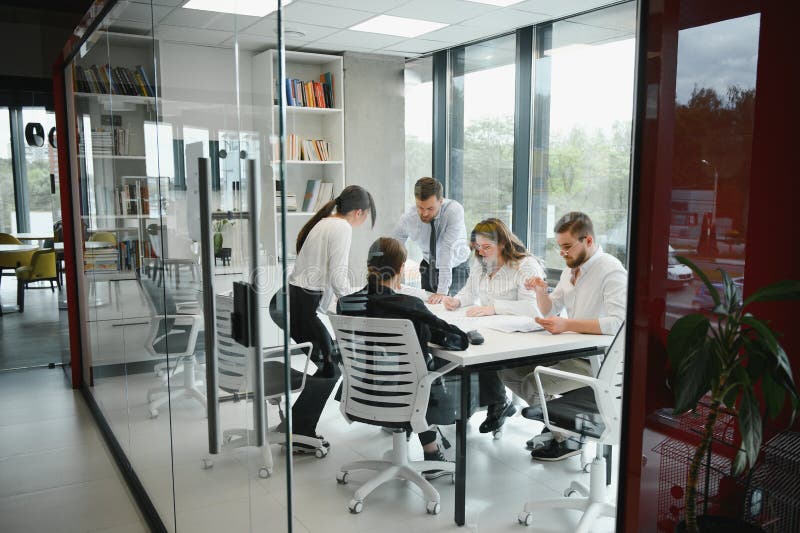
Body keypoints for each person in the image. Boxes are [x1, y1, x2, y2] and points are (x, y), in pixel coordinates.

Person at [338, 237, 469, 480]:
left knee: (407, 373)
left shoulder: (347, 304)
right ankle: (432, 451)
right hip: (403, 394)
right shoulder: (409, 304)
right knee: (426, 374)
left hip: (363, 392)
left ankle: (427, 445)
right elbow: (458, 340)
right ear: (399, 269)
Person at [505, 211, 627, 461]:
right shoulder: (569, 271)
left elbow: (618, 323)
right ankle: (561, 427)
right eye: (560, 248)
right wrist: (540, 291)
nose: (563, 253)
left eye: (568, 247)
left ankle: (569, 438)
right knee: (507, 370)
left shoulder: (610, 270)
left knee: (531, 383)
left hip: (596, 363)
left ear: (589, 241)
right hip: (569, 352)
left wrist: (567, 324)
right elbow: (551, 308)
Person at [271, 185, 376, 451]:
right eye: (366, 217)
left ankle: (294, 427)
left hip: (291, 301)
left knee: (328, 364)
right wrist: (359, 299)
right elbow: (338, 277)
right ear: (359, 212)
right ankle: (299, 432)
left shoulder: (325, 222)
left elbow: (326, 277)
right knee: (331, 367)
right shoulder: (342, 228)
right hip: (300, 306)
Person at [441, 218, 545, 434]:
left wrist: (493, 308)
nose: (481, 252)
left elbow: (532, 308)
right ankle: (492, 403)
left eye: (487, 247)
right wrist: (457, 301)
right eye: (478, 247)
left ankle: (497, 404)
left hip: (524, 334)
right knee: (468, 344)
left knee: (482, 351)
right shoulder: (480, 262)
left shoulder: (526, 266)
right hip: (495, 328)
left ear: (503, 244)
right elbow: (470, 291)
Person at [392, 177, 471, 303]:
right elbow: (394, 244)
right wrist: (394, 272)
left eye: (430, 209)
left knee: (454, 308)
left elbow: (447, 250)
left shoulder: (453, 211)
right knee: (429, 307)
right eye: (420, 207)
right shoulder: (409, 218)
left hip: (457, 266)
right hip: (428, 266)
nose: (424, 213)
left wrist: (442, 292)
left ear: (441, 201)